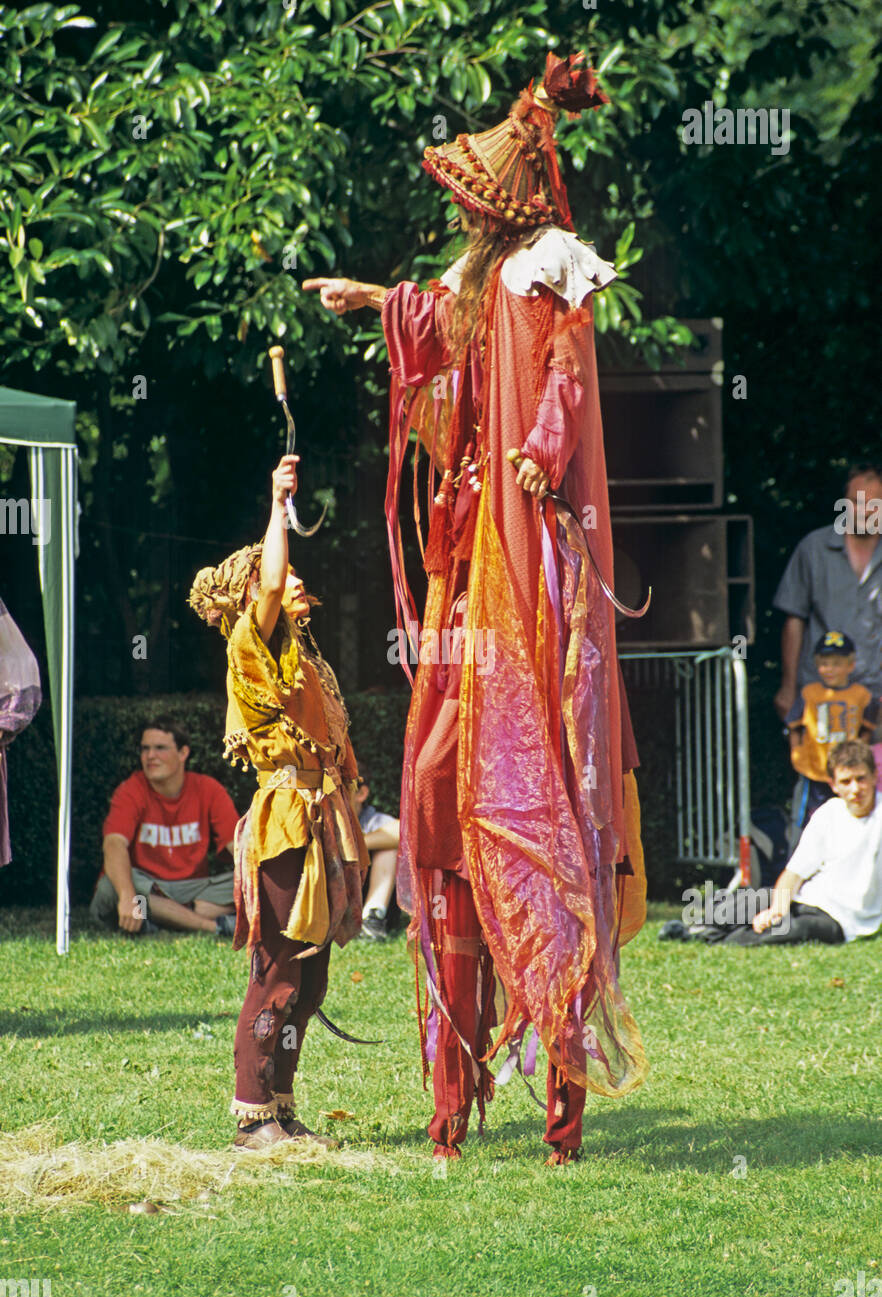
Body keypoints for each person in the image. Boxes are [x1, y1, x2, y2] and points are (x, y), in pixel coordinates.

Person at [304, 52, 648, 1163]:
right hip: (468, 552)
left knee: (524, 782)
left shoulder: (546, 266)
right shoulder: (475, 275)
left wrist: (543, 453)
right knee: (441, 796)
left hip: (520, 550)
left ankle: (552, 1108)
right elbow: (440, 330)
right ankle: (451, 1107)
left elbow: (566, 373)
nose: (460, 212)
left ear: (510, 203)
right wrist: (369, 298)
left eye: (471, 199)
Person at [189, 456, 368, 1149]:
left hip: (321, 821)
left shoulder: (302, 657)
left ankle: (282, 1108)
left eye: (293, 572)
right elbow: (268, 578)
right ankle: (251, 1115)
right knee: (277, 974)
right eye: (283, 574)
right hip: (285, 823)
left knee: (311, 977)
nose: (295, 580)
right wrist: (276, 498)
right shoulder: (249, 641)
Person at [89, 718, 238, 937]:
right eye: (145, 749)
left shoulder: (208, 789)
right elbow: (114, 844)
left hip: (192, 889)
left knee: (249, 881)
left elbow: (238, 846)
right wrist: (128, 895)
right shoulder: (131, 790)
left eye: (160, 748)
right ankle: (214, 927)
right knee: (110, 888)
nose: (150, 756)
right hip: (146, 890)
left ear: (183, 753)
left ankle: (166, 920)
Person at [725, 740, 882, 946]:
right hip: (807, 899)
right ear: (833, 785)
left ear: (874, 777)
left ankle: (725, 941)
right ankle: (692, 930)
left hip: (842, 919)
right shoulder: (828, 813)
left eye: (861, 779)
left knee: (795, 930)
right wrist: (777, 909)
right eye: (846, 781)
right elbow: (794, 873)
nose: (855, 789)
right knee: (741, 905)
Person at [773, 464, 882, 720]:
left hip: (877, 696)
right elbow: (794, 619)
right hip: (820, 693)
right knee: (819, 761)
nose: (865, 511)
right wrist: (788, 689)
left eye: (874, 503)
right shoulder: (813, 549)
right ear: (843, 503)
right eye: (857, 501)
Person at [787, 630, 878, 843]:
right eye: (824, 663)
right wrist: (796, 754)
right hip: (814, 771)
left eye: (837, 664)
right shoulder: (808, 693)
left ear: (850, 665)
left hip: (847, 774)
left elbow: (867, 729)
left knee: (850, 818)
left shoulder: (862, 696)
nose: (830, 669)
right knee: (805, 821)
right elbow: (793, 726)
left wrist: (857, 754)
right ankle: (798, 863)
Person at [354, 764, 400, 942]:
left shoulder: (374, 821)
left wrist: (353, 846)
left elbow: (402, 832)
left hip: (371, 900)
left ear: (361, 794)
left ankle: (373, 918)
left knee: (387, 847)